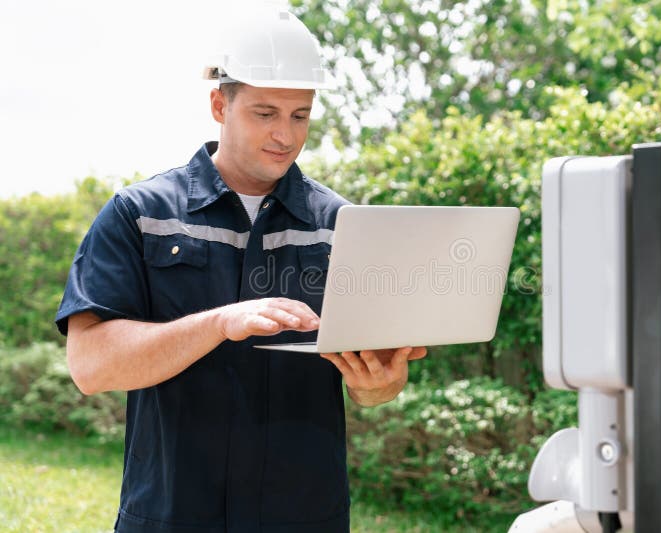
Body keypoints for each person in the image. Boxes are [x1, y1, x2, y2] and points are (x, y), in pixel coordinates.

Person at [55, 5, 426, 532]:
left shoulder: (343, 226)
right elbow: (91, 367)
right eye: (265, 113)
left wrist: (379, 382)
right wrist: (218, 323)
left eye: (300, 116)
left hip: (303, 518)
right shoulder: (140, 215)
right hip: (173, 516)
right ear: (218, 104)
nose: (285, 134)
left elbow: (374, 389)